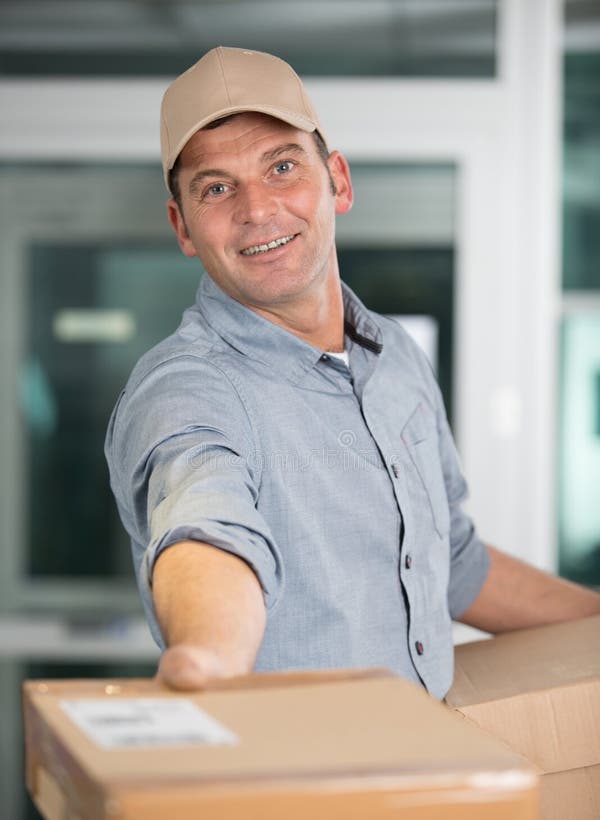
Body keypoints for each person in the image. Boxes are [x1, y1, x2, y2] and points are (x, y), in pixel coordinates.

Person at [105, 46, 599, 694]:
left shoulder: (396, 359)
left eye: (282, 166)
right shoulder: (185, 387)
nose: (257, 209)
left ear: (338, 180)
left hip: (428, 771)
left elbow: (448, 560)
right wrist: (209, 655)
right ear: (183, 226)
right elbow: (205, 520)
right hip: (296, 787)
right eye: (217, 187)